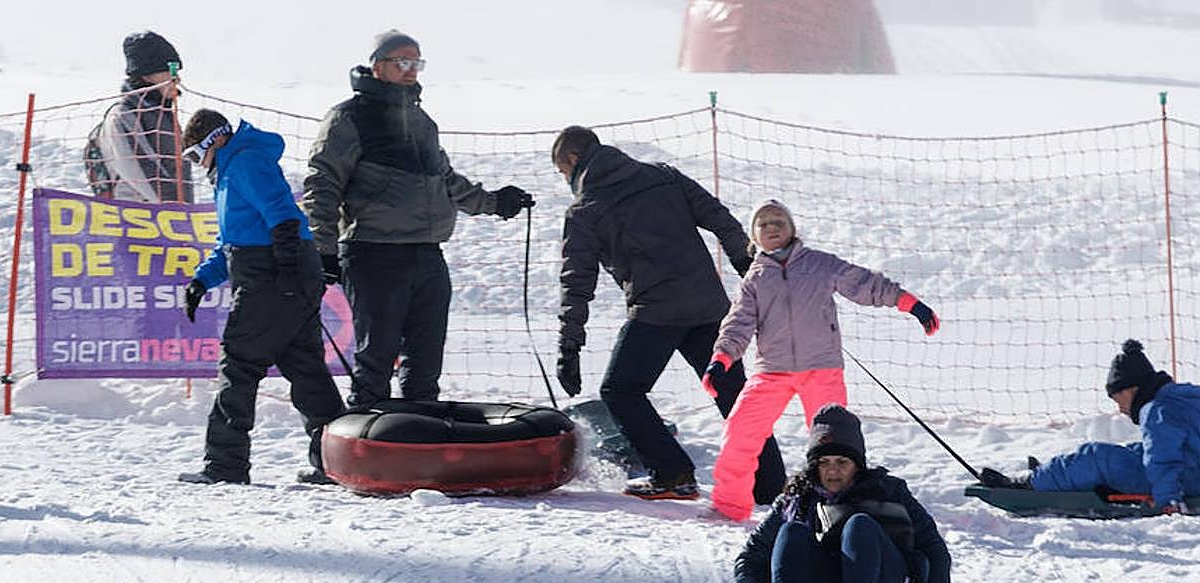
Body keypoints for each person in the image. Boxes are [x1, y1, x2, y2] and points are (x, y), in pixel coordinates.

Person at [551, 126, 785, 501]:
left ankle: (672, 473)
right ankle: (771, 484)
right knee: (732, 394)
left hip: (656, 312)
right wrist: (747, 264)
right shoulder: (663, 175)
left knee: (621, 390)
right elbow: (720, 218)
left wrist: (569, 348)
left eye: (563, 173)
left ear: (574, 161)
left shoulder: (584, 211)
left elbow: (576, 285)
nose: (566, 181)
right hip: (710, 306)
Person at [301, 30, 532, 408]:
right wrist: (323, 250)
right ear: (378, 66)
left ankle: (420, 445)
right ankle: (365, 454)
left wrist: (495, 202)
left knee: (425, 363)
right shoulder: (349, 117)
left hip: (427, 253)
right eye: (402, 62)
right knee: (375, 360)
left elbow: (446, 180)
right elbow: (322, 183)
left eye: (417, 62)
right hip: (374, 253)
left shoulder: (421, 120)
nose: (411, 71)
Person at [708, 200, 939, 522]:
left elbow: (864, 283)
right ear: (753, 237)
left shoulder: (819, 264)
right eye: (764, 224)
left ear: (792, 229)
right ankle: (728, 508)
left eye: (779, 221)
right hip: (771, 371)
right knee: (739, 433)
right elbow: (738, 324)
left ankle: (841, 504)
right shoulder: (755, 280)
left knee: (836, 443)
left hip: (821, 368)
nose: (772, 227)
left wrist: (909, 303)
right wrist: (722, 358)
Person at [176, 110, 345, 485]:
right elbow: (231, 245)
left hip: (274, 277)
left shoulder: (245, 161)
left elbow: (283, 217)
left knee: (238, 363)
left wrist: (287, 278)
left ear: (215, 139)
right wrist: (201, 282)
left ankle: (225, 465)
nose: (196, 164)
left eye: (194, 155)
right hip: (276, 275)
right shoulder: (228, 172)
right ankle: (338, 461)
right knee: (303, 366)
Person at [734, 404, 951, 583]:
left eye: (842, 462)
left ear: (857, 465)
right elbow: (747, 561)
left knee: (859, 525)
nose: (832, 471)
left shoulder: (888, 492)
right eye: (824, 463)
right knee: (792, 530)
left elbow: (933, 547)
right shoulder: (797, 498)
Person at [978, 339, 1200, 514]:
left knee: (1095, 456)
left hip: (1186, 481)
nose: (1120, 409)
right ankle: (1050, 474)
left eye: (1118, 399)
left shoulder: (1158, 411)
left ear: (1131, 389)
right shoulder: (1181, 399)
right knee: (1132, 451)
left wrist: (1168, 502)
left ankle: (1030, 484)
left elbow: (1163, 461)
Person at [83, 30, 191, 203]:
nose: (176, 79)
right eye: (169, 71)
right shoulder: (123, 115)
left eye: (176, 72)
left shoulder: (165, 116)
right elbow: (141, 170)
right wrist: (178, 212)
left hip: (169, 221)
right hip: (136, 220)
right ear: (146, 76)